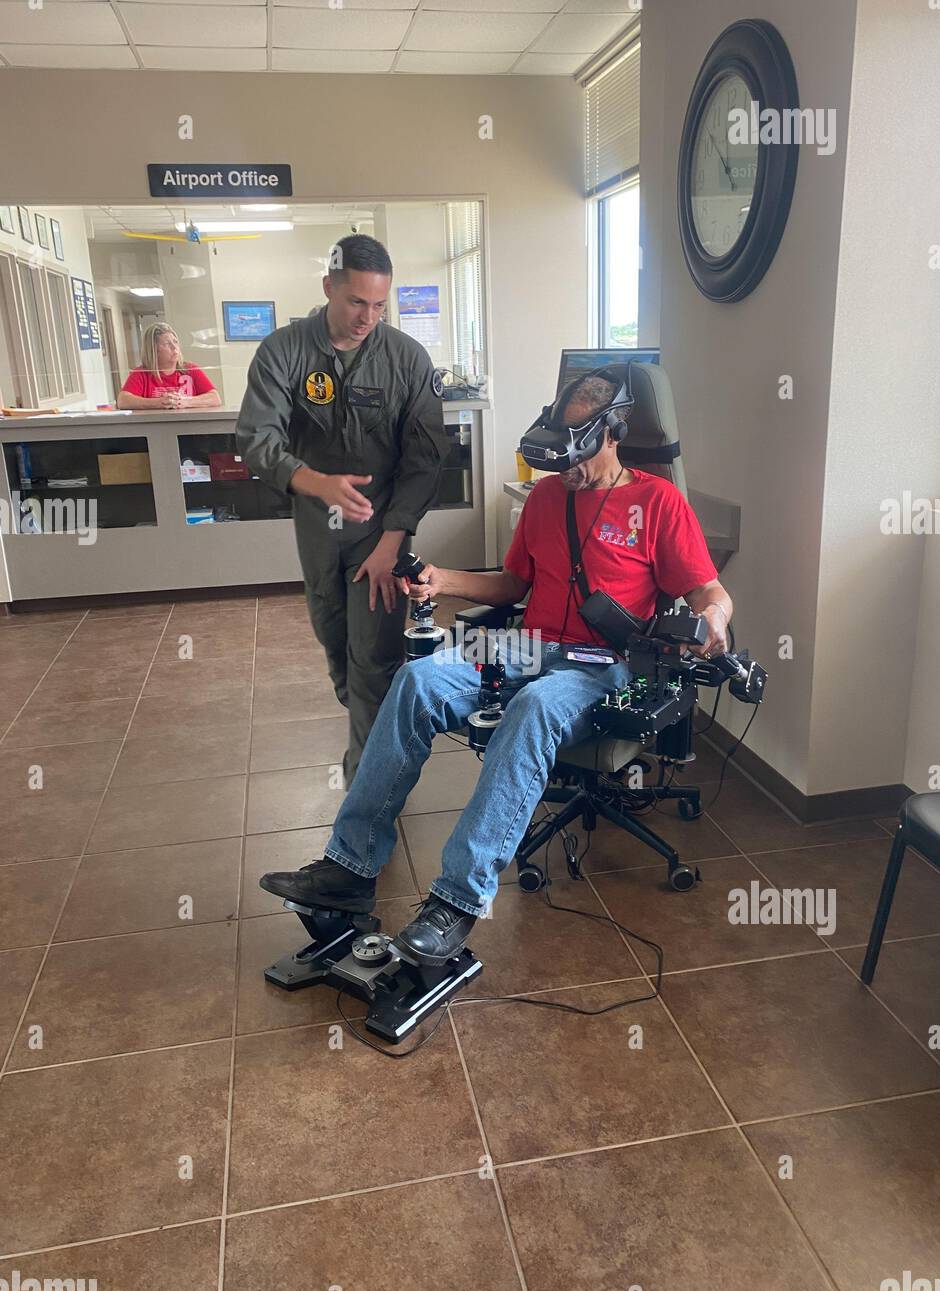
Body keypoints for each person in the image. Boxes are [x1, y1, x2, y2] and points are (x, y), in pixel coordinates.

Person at [260, 372, 734, 967]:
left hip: (603, 664)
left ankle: (457, 900)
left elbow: (709, 592)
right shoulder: (545, 497)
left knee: (535, 708)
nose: (565, 466)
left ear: (613, 434)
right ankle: (349, 867)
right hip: (527, 646)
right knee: (418, 680)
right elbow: (515, 584)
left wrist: (714, 618)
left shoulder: (657, 502)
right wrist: (444, 579)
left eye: (578, 451)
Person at [236, 234, 449, 785]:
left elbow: (425, 461)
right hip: (316, 530)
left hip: (381, 530)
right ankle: (369, 730)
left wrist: (390, 545)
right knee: (336, 642)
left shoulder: (406, 358)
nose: (367, 317)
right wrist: (316, 483)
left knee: (374, 659)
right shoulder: (283, 351)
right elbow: (258, 441)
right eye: (357, 301)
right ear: (329, 287)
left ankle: (368, 783)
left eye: (380, 305)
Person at [117, 323, 221, 410]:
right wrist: (159, 403)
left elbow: (215, 398)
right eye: (167, 344)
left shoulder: (190, 369)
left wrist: (185, 402)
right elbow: (123, 401)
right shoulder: (142, 373)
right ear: (154, 350)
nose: (174, 347)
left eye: (175, 342)